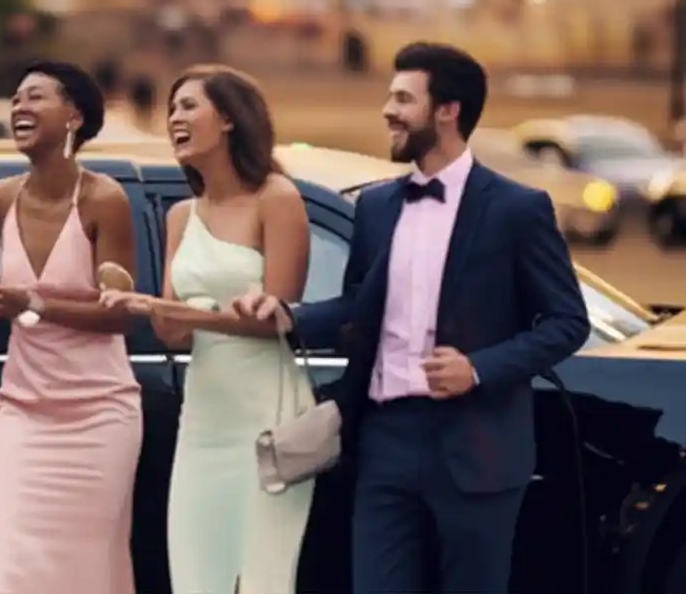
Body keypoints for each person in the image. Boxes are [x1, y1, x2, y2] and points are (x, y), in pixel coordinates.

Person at [234, 42, 590, 593]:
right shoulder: (377, 207)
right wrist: (288, 315)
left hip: (478, 446)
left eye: (403, 98)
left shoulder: (518, 209)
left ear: (447, 111)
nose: (387, 110)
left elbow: (567, 321)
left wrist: (478, 367)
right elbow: (359, 308)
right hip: (385, 442)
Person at [102, 64, 314, 593]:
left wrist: (185, 313)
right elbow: (175, 334)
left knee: (264, 578)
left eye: (189, 105)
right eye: (172, 107)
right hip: (204, 419)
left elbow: (279, 322)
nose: (175, 116)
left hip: (267, 416)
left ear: (228, 120)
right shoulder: (180, 216)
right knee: (198, 575)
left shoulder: (277, 198)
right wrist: (140, 306)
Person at [0, 60, 142, 593]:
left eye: (36, 97)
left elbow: (120, 312)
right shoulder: (1, 197)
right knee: (10, 566)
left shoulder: (104, 200)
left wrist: (30, 302)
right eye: (16, 98)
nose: (20, 107)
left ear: (73, 117)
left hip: (98, 413)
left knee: (85, 571)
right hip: (22, 410)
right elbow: (14, 301)